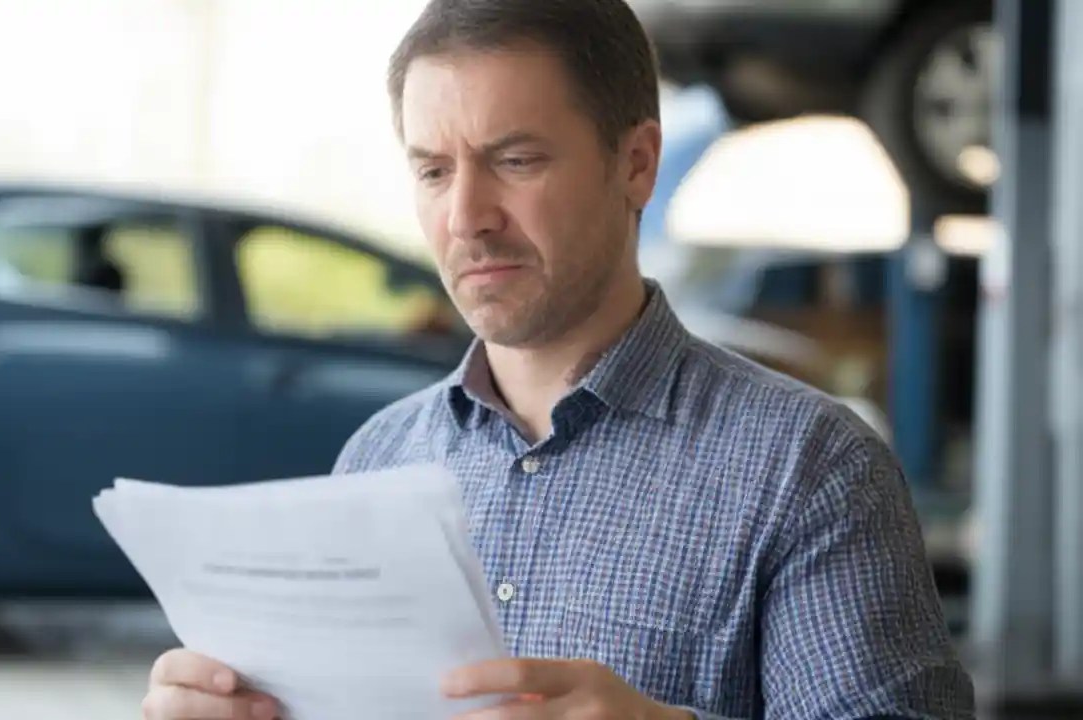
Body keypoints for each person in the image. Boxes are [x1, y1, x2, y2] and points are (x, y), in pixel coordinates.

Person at [141, 1, 975, 718]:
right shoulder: (375, 460)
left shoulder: (812, 469)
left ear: (636, 164)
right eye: (433, 170)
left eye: (515, 160)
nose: (466, 216)